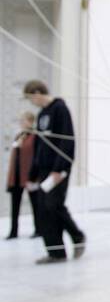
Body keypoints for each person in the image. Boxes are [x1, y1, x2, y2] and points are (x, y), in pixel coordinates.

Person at [22, 80, 86, 263]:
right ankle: (56, 252)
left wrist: (60, 169)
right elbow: (41, 146)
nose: (32, 103)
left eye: (30, 98)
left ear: (37, 93)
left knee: (53, 205)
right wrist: (33, 175)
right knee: (43, 210)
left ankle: (77, 235)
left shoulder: (60, 109)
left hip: (57, 171)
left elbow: (67, 141)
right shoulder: (42, 114)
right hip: (44, 170)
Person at [5, 109, 40, 239]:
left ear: (30, 122)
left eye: (23, 120)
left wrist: (35, 177)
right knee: (14, 205)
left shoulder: (35, 137)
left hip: (30, 176)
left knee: (35, 204)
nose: (21, 123)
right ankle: (13, 231)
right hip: (16, 175)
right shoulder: (19, 136)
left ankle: (38, 229)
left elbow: (36, 156)